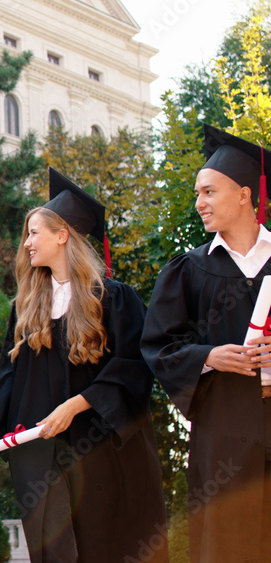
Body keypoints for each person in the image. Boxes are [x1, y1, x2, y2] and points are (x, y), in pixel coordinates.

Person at [0, 169, 167, 563]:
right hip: (42, 457)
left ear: (62, 235)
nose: (26, 242)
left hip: (101, 452)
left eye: (34, 233)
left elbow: (134, 369)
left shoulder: (114, 300)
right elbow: (8, 375)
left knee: (104, 546)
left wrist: (77, 404)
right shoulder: (27, 308)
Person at [141, 124, 271, 562]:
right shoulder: (189, 270)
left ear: (244, 195)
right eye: (198, 194)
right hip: (223, 438)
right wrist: (210, 356)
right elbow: (159, 347)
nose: (200, 203)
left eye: (210, 192)